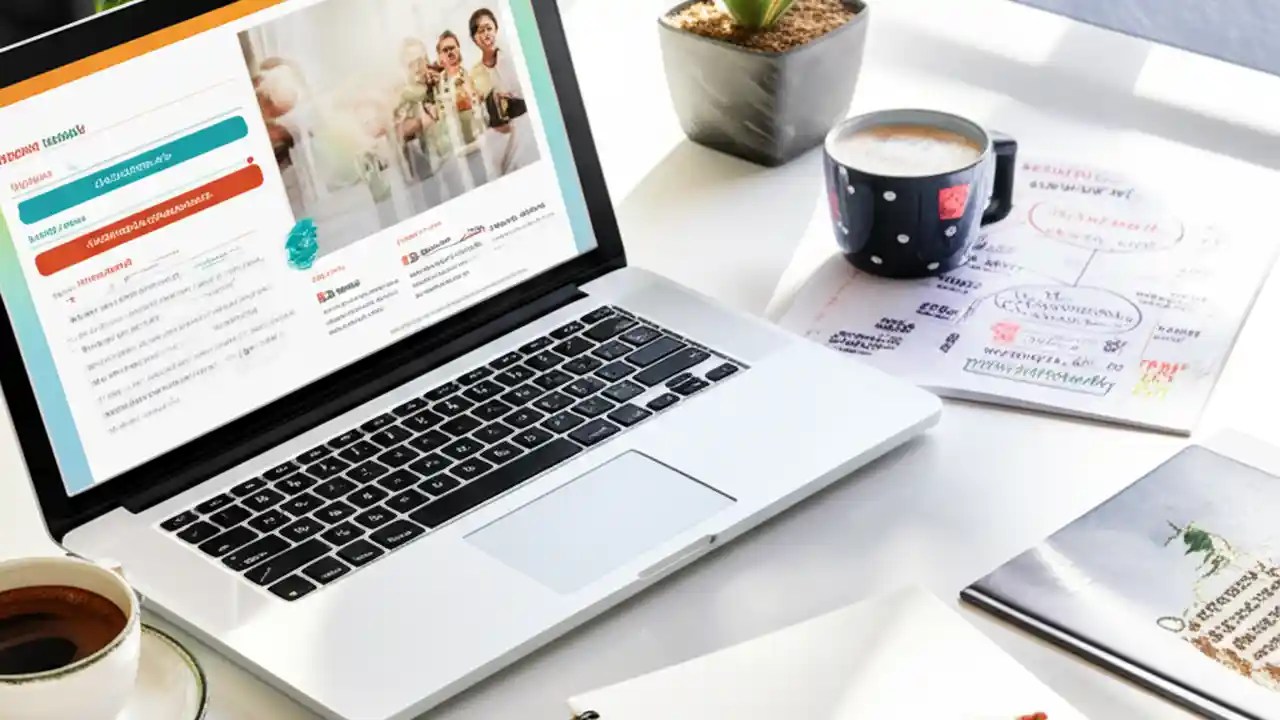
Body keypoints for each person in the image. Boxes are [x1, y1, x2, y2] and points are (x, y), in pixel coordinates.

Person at [467, 8, 536, 175]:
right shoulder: (474, 73)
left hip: (523, 124)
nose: (486, 34)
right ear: (474, 38)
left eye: (489, 28)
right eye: (480, 31)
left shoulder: (511, 57)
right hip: (498, 134)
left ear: (496, 29)